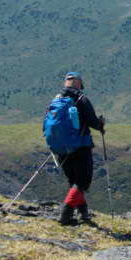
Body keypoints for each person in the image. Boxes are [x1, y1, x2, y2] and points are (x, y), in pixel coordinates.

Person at [43, 72, 105, 227]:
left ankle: (83, 212)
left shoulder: (56, 99)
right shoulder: (80, 99)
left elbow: (45, 123)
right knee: (82, 182)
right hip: (80, 146)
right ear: (78, 84)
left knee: (74, 181)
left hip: (60, 148)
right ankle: (66, 213)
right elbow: (93, 123)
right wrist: (101, 123)